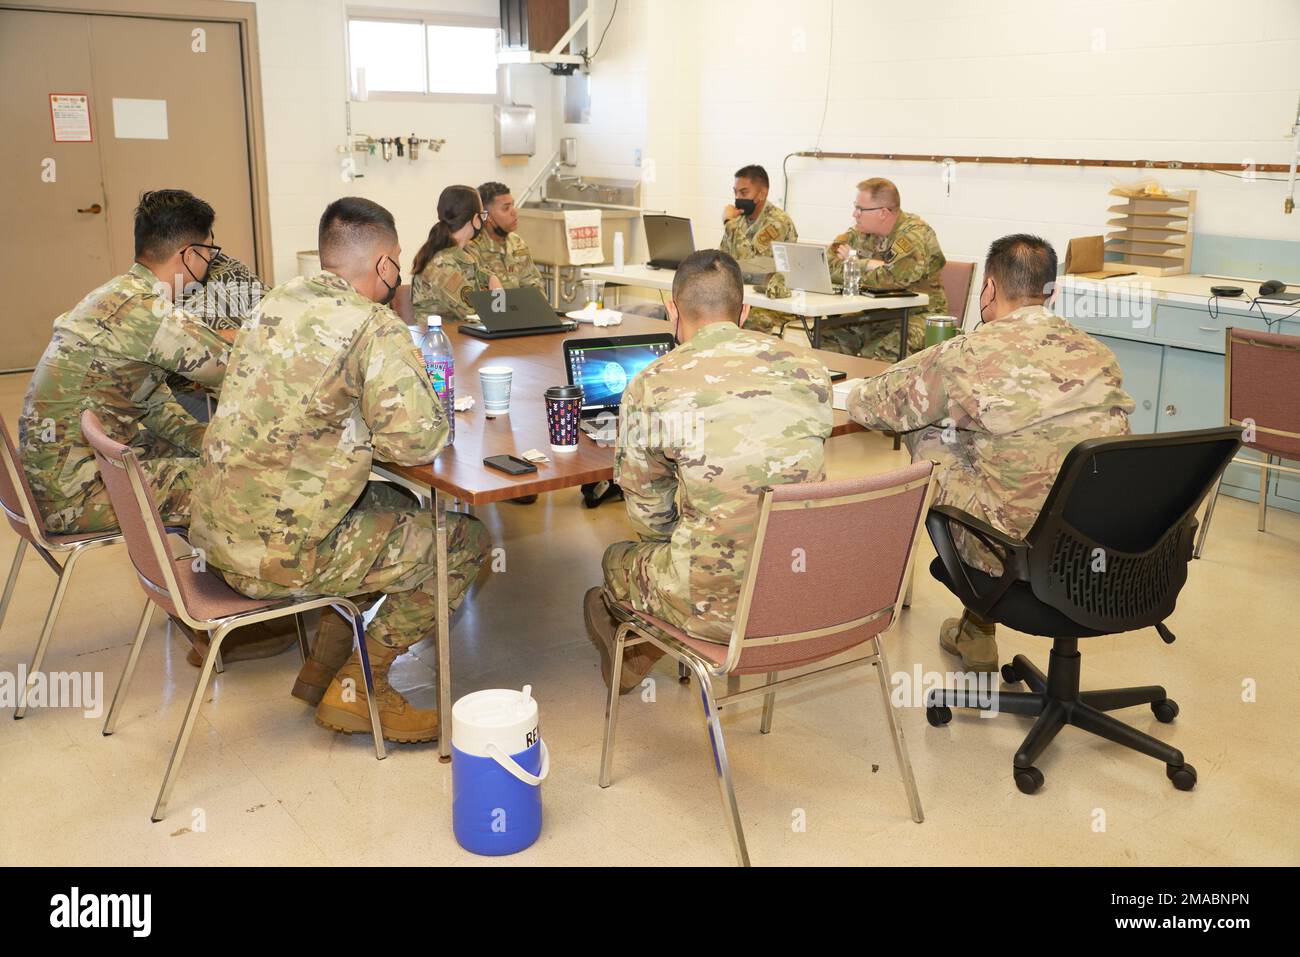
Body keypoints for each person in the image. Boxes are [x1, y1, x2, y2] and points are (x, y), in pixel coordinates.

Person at [189, 197, 490, 741]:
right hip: (273, 556)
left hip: (213, 534)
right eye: (395, 260)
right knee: (462, 542)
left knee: (393, 505)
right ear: (382, 265)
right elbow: (417, 442)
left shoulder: (273, 304)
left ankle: (321, 668)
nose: (397, 271)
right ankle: (362, 685)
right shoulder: (372, 325)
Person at [846, 234, 1135, 671]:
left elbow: (875, 407)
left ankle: (978, 625)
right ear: (1050, 293)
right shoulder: (1099, 354)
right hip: (1108, 545)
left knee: (930, 434)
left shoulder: (967, 353)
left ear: (990, 288)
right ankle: (975, 625)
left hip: (1009, 549)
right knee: (1001, 446)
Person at [584, 250, 833, 692]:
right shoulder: (809, 369)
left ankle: (642, 647)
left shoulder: (652, 383)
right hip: (801, 588)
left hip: (712, 606)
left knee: (615, 560)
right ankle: (649, 647)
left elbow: (649, 519)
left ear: (672, 310)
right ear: (746, 311)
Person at [18, 188, 229, 534]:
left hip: (51, 480)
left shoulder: (113, 295)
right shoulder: (151, 315)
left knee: (216, 458)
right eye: (209, 252)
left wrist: (208, 442)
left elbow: (153, 402)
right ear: (190, 255)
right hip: (78, 495)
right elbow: (236, 373)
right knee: (243, 489)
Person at [822, 177, 948, 360]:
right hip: (877, 313)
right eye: (855, 207)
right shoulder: (861, 232)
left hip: (918, 315)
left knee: (884, 354)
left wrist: (857, 263)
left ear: (882, 213)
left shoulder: (913, 235)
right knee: (826, 338)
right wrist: (870, 265)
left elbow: (890, 280)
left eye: (860, 209)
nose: (854, 214)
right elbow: (825, 263)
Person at [719, 164, 798, 336]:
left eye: (744, 192)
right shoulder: (738, 220)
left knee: (745, 320)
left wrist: (728, 224)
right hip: (742, 296)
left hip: (770, 302)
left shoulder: (777, 222)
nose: (738, 198)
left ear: (762, 194)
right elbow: (723, 259)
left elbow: (751, 263)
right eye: (735, 192)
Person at [410, 185, 501, 322]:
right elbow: (474, 314)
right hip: (441, 339)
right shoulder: (442, 265)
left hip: (463, 337)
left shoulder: (468, 251)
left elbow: (492, 293)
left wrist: (491, 278)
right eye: (483, 215)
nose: (484, 220)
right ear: (475, 218)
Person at [466, 182, 544, 290]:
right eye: (506, 208)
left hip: (520, 306)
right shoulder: (472, 247)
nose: (514, 212)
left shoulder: (516, 242)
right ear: (487, 216)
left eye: (513, 205)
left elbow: (533, 283)